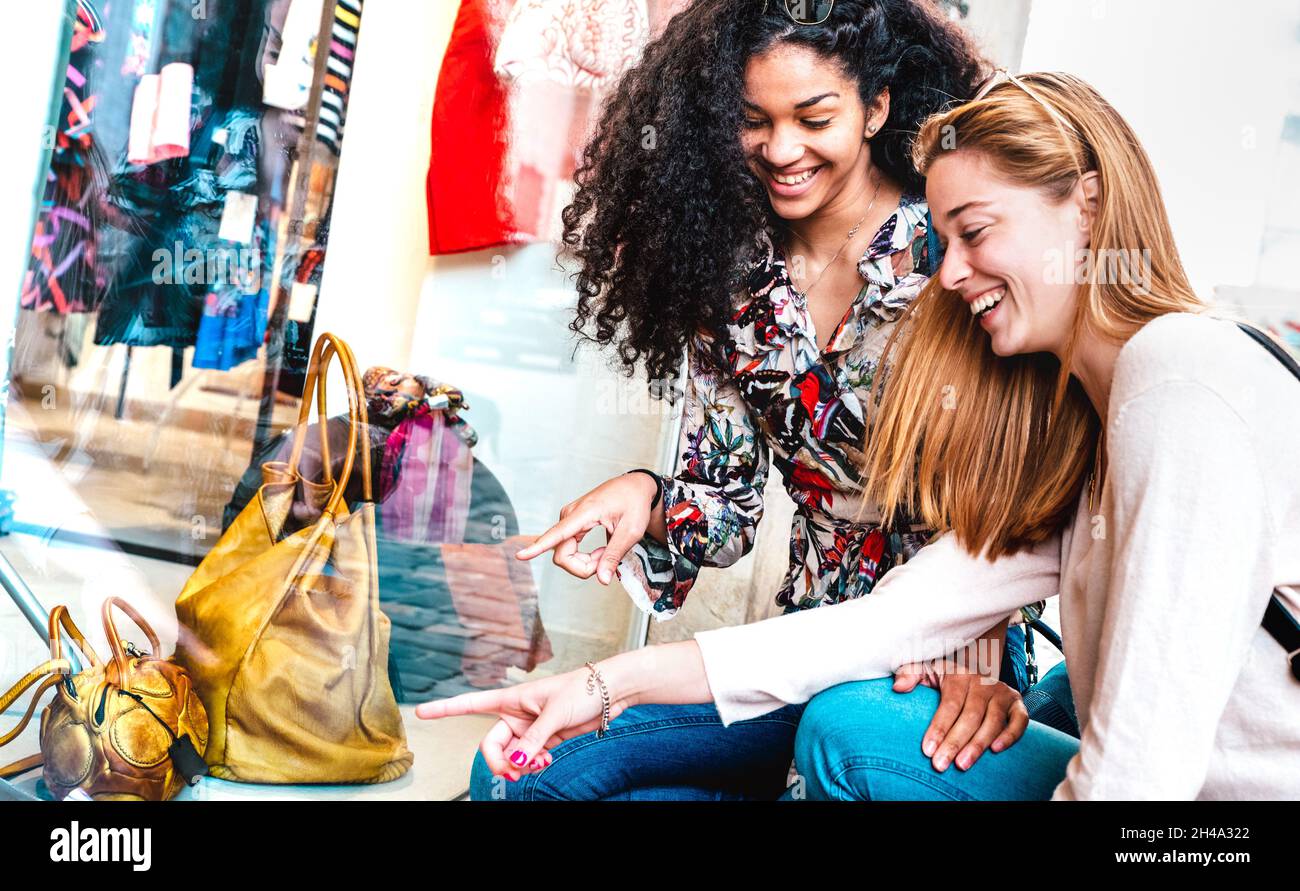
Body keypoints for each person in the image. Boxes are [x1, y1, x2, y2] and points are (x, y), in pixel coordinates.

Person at [420, 70, 1300, 801]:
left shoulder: (1179, 376)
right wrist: (601, 682)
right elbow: (884, 621)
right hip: (828, 649)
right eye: (945, 238)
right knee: (533, 775)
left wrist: (981, 655)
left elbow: (1138, 785)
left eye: (977, 232)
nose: (951, 274)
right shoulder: (1095, 422)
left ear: (1090, 206)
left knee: (857, 732)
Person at [419, 0, 1069, 800]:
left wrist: (984, 637)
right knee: (523, 767)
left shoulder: (955, 254)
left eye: (813, 116)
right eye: (753, 119)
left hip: (939, 671)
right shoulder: (728, 272)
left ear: (877, 108)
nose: (781, 148)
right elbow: (721, 512)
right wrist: (647, 497)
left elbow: (1034, 502)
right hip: (793, 649)